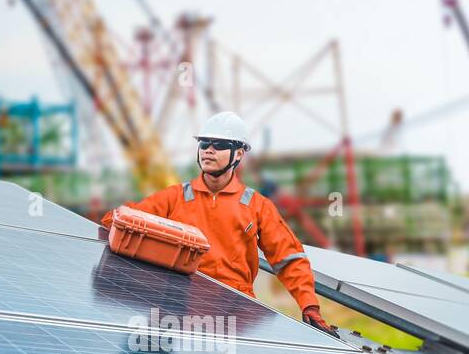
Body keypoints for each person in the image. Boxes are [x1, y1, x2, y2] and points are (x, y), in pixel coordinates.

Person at [101, 111, 337, 335]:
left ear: (239, 154)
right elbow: (121, 219)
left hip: (233, 317)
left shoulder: (257, 206)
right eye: (204, 144)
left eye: (220, 145)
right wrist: (116, 221)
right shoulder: (175, 197)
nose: (209, 151)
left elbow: (290, 259)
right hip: (180, 311)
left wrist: (309, 306)